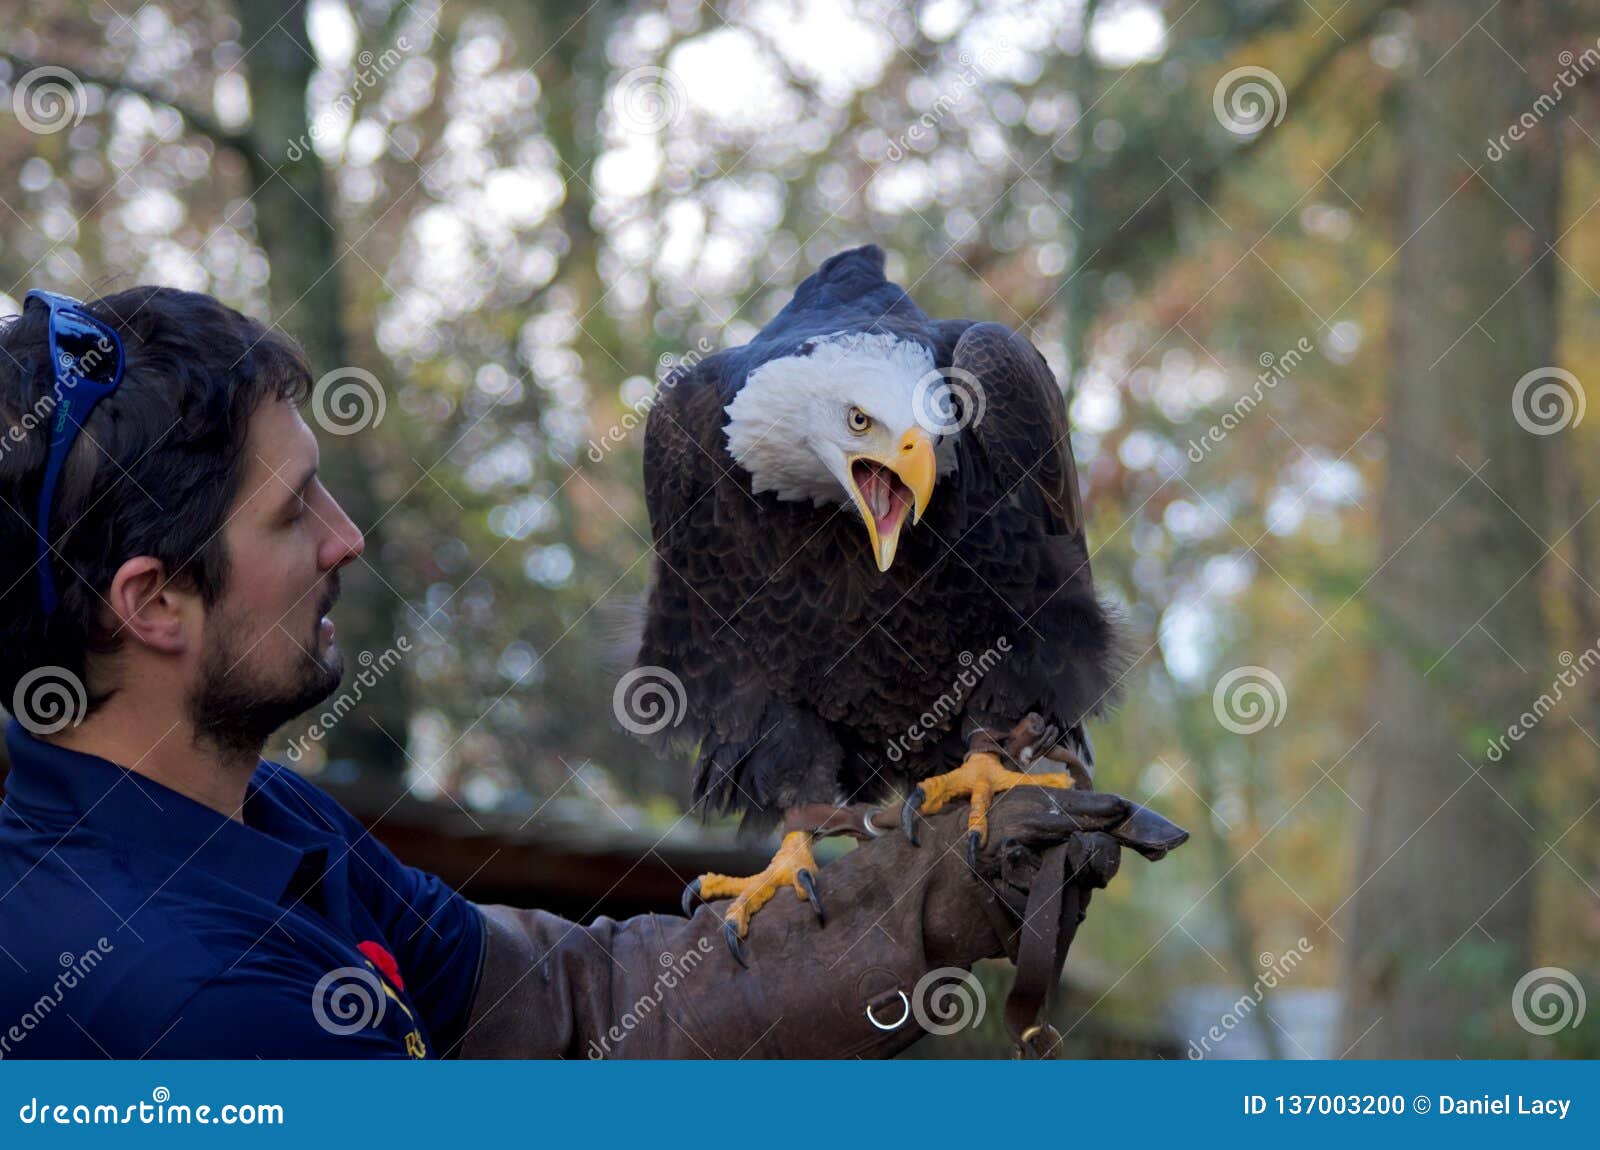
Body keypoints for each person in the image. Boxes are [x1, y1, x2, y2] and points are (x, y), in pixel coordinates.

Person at [0, 287, 1182, 1059]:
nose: (345, 537)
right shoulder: (193, 1003)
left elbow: (568, 1017)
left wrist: (910, 913)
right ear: (154, 602)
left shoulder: (241, 817)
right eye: (290, 510)